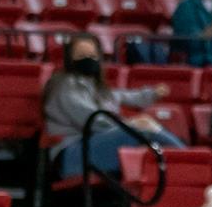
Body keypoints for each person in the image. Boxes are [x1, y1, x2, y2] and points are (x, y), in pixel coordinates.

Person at [43, 34, 181, 179]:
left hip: (94, 145)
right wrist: (128, 125)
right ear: (70, 59)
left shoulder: (98, 87)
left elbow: (125, 96)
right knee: (140, 128)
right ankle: (190, 161)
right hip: (72, 154)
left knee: (145, 129)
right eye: (81, 55)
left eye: (92, 55)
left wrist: (152, 93)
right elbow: (90, 120)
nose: (88, 59)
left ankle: (188, 163)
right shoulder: (64, 85)